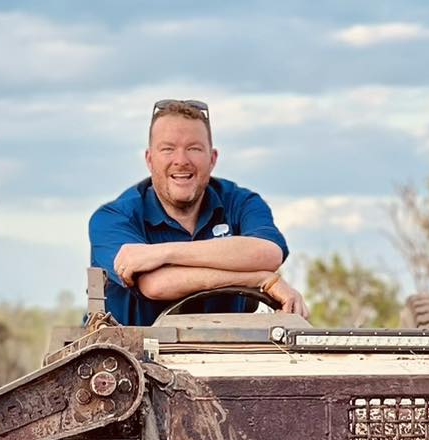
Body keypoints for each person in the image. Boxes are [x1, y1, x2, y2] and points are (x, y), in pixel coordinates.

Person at [89, 98, 309, 325]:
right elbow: (156, 285)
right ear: (149, 159)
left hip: (224, 352)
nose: (181, 161)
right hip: (129, 355)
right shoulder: (113, 219)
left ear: (212, 159)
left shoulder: (242, 203)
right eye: (168, 149)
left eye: (194, 148)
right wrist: (259, 278)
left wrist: (161, 254)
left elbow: (269, 253)